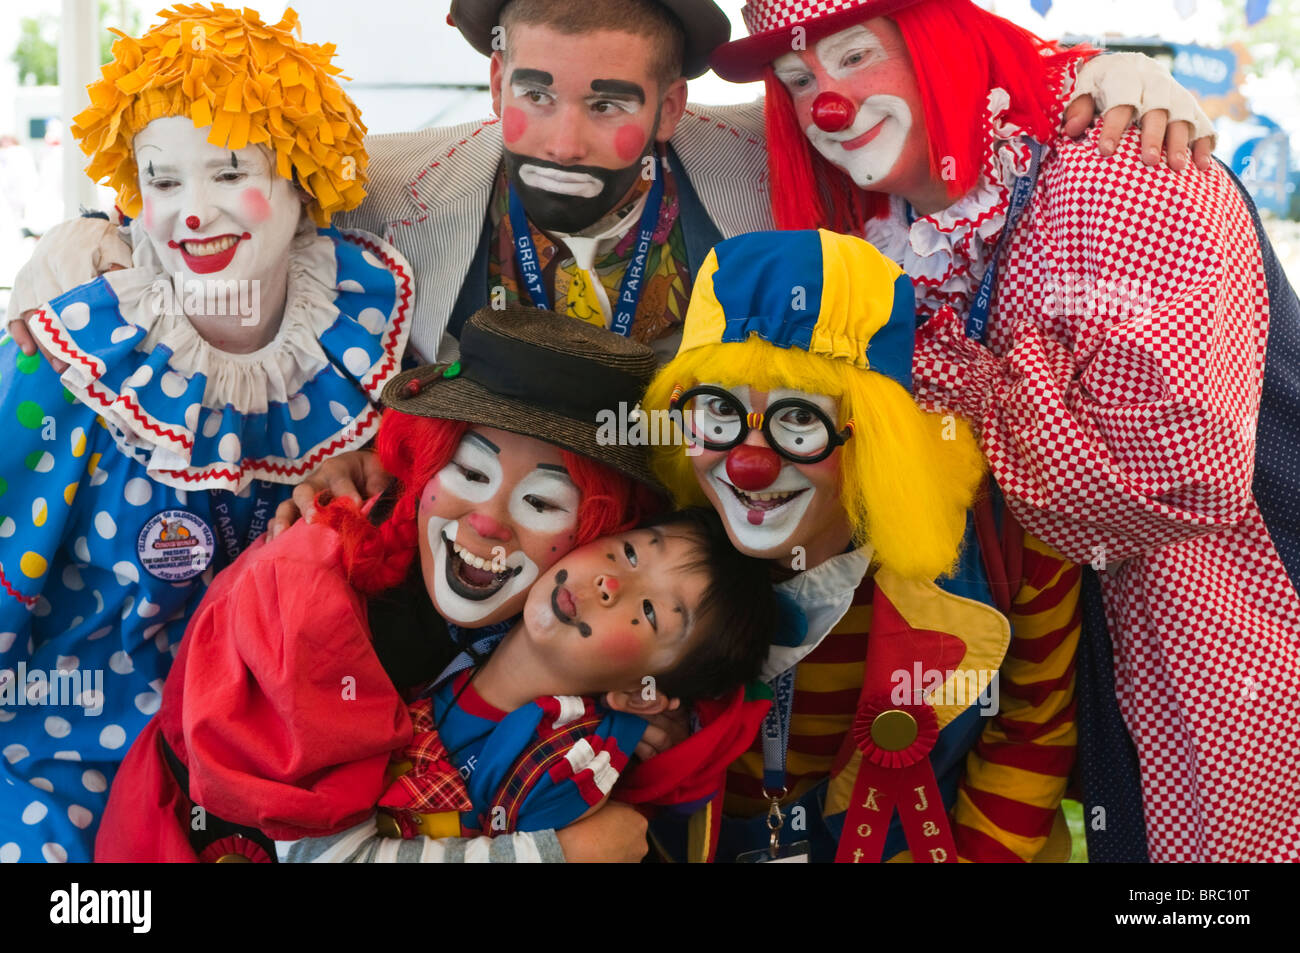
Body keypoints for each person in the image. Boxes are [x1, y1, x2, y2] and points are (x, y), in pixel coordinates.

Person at [714, 0, 1300, 862]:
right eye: (800, 82)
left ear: (942, 41)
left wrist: (944, 363)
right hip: (1081, 647)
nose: (827, 105)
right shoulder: (913, 226)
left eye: (856, 56)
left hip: (1225, 625)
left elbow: (1162, 483)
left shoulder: (1115, 165)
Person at [0, 5, 411, 864]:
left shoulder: (365, 343)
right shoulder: (69, 356)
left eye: (229, 174)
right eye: (163, 180)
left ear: (302, 179)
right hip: (73, 755)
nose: (193, 212)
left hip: (277, 764)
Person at [94, 307, 704, 863]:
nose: (488, 520)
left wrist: (640, 702)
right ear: (424, 468)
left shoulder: (557, 606)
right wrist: (558, 854)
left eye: (544, 502)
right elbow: (328, 858)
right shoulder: (313, 596)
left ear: (599, 530)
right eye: (468, 471)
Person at [640, 229, 1080, 863]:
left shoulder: (1009, 542)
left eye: (799, 419)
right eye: (718, 411)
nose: (749, 465)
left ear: (875, 434)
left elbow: (1031, 730)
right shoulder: (644, 539)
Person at [281, 507, 775, 859]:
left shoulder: (569, 773)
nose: (611, 585)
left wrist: (557, 854)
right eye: (628, 553)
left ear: (639, 695)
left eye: (650, 613)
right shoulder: (454, 620)